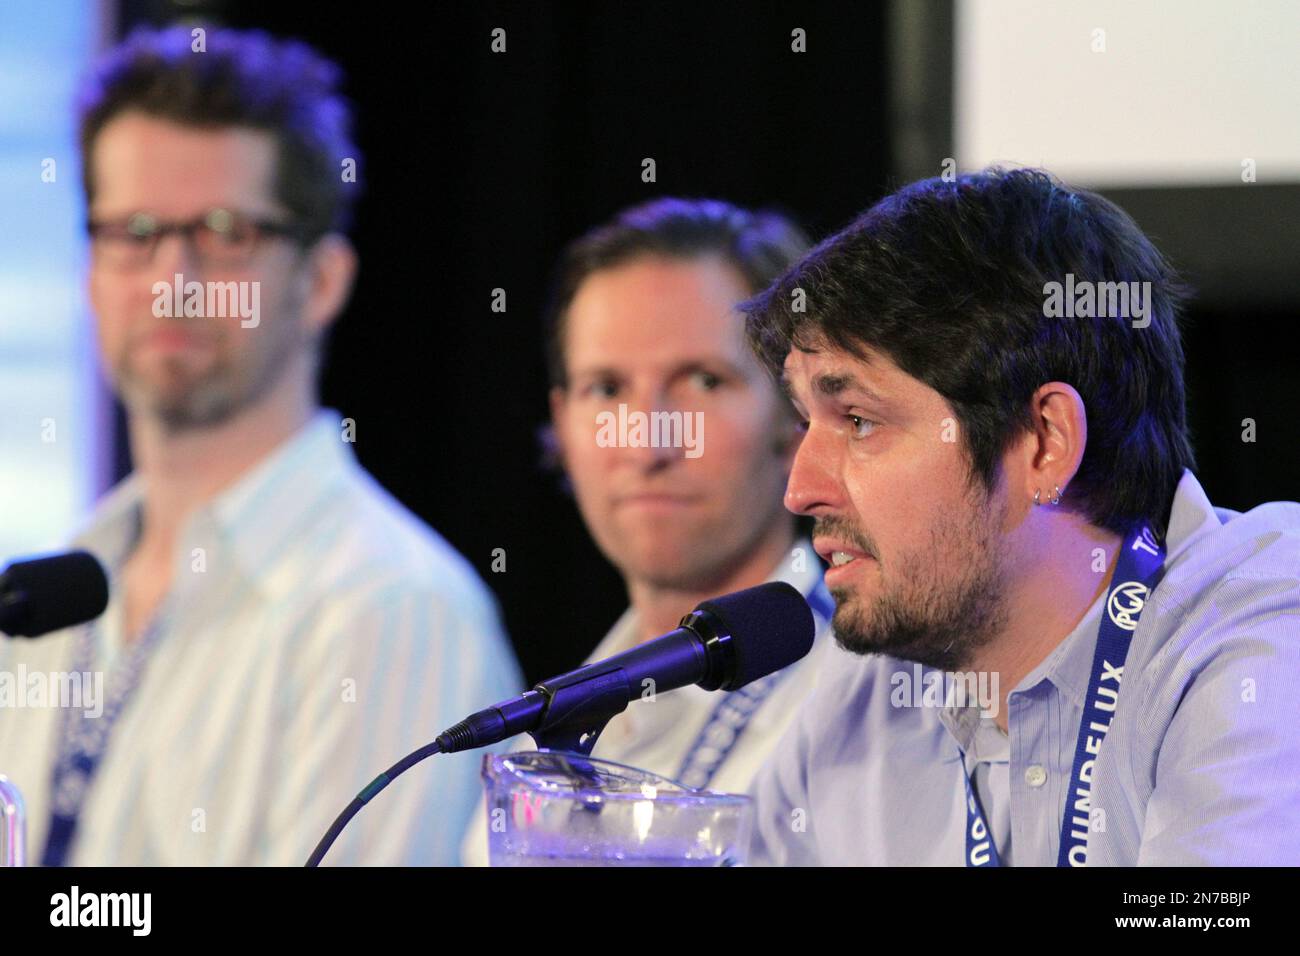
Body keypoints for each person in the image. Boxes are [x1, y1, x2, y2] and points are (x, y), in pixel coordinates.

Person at [0, 26, 521, 866]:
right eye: (133, 231)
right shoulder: (51, 592)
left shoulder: (389, 608)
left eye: (223, 232)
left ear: (320, 281)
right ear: (91, 271)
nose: (172, 279)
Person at [744, 167, 1300, 865]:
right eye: (804, 422)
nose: (799, 490)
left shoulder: (1263, 630)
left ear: (1044, 443)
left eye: (857, 420)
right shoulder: (863, 696)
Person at [461, 198, 833, 864]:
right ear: (563, 424)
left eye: (699, 380)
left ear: (795, 412)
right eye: (606, 389)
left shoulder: (860, 704)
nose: (647, 441)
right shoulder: (535, 746)